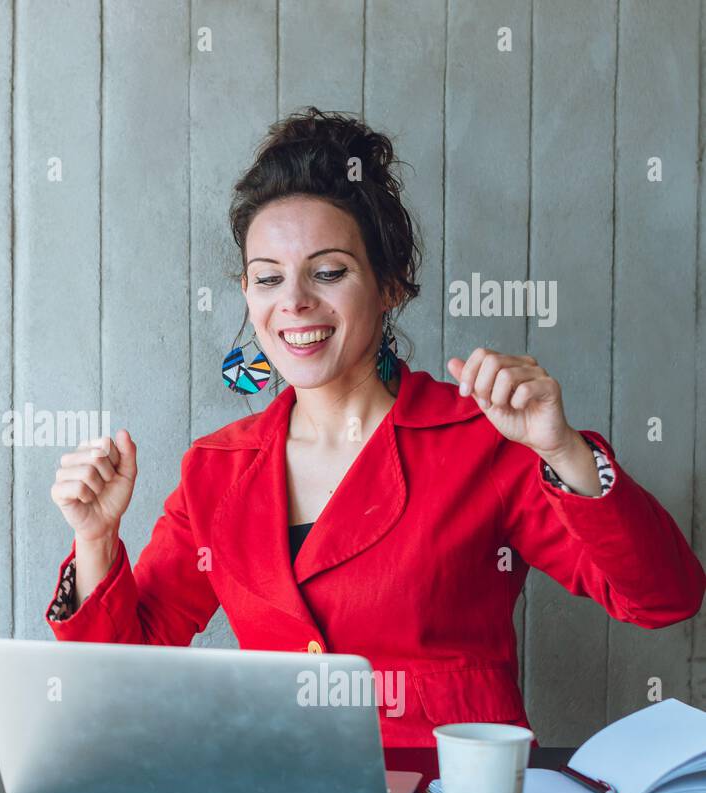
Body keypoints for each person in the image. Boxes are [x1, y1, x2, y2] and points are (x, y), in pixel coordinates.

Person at [44, 107, 705, 747]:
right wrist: (97, 539)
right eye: (267, 278)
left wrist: (563, 450)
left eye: (329, 272)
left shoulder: (482, 439)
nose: (295, 302)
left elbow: (662, 599)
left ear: (390, 286)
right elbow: (126, 676)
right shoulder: (216, 468)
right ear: (247, 295)